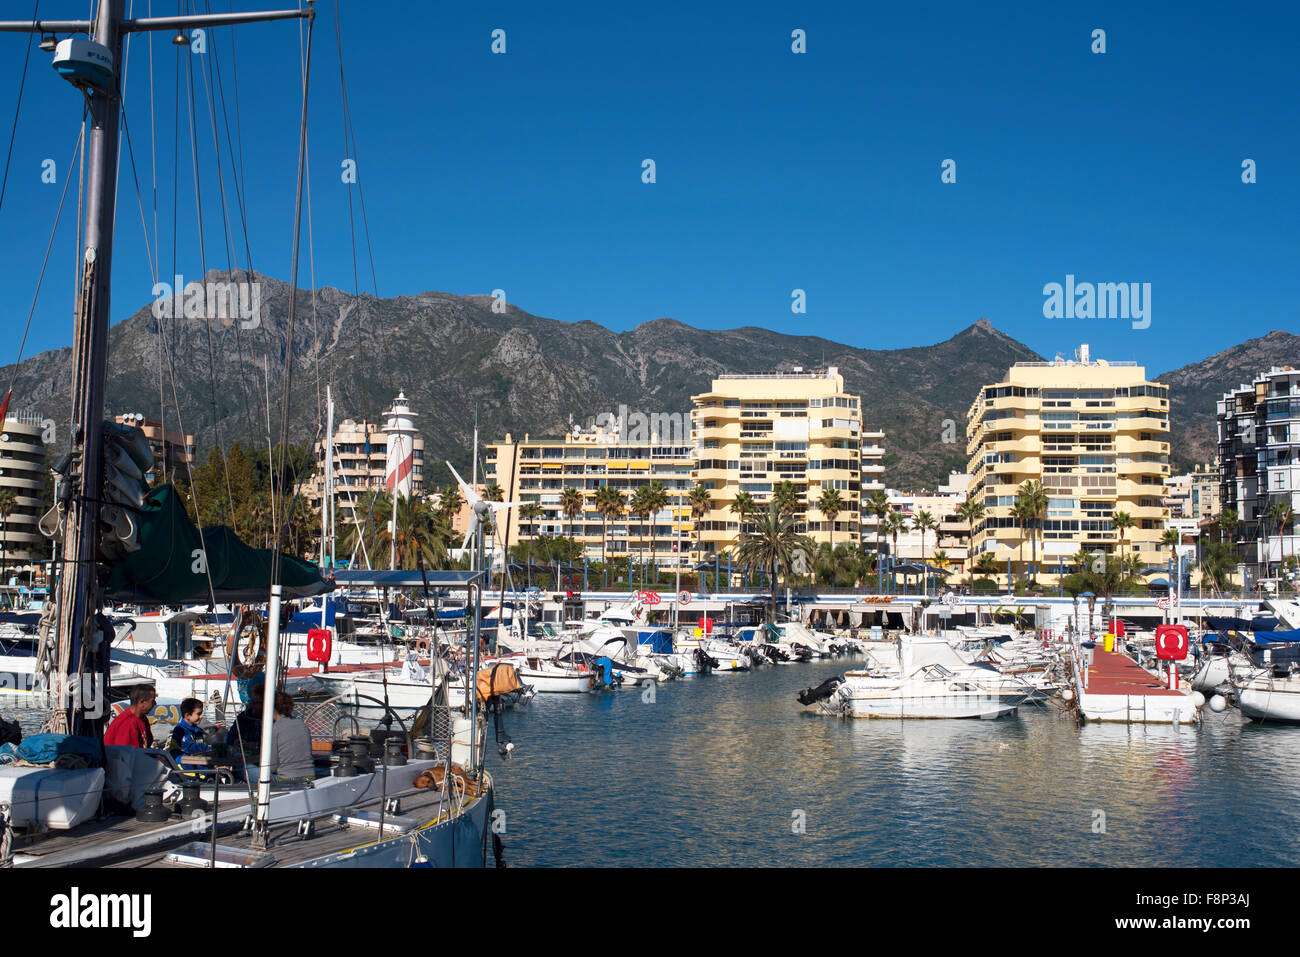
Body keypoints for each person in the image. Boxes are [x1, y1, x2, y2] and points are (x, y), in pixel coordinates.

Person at [269, 691, 314, 780]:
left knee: (246, 769)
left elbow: (271, 767)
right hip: (310, 777)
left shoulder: (275, 728)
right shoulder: (301, 724)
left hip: (287, 779)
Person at [224, 684, 264, 754]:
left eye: (258, 703)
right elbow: (230, 737)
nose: (254, 705)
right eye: (253, 702)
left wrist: (257, 745)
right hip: (243, 757)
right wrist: (235, 741)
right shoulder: (242, 718)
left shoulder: (272, 720)